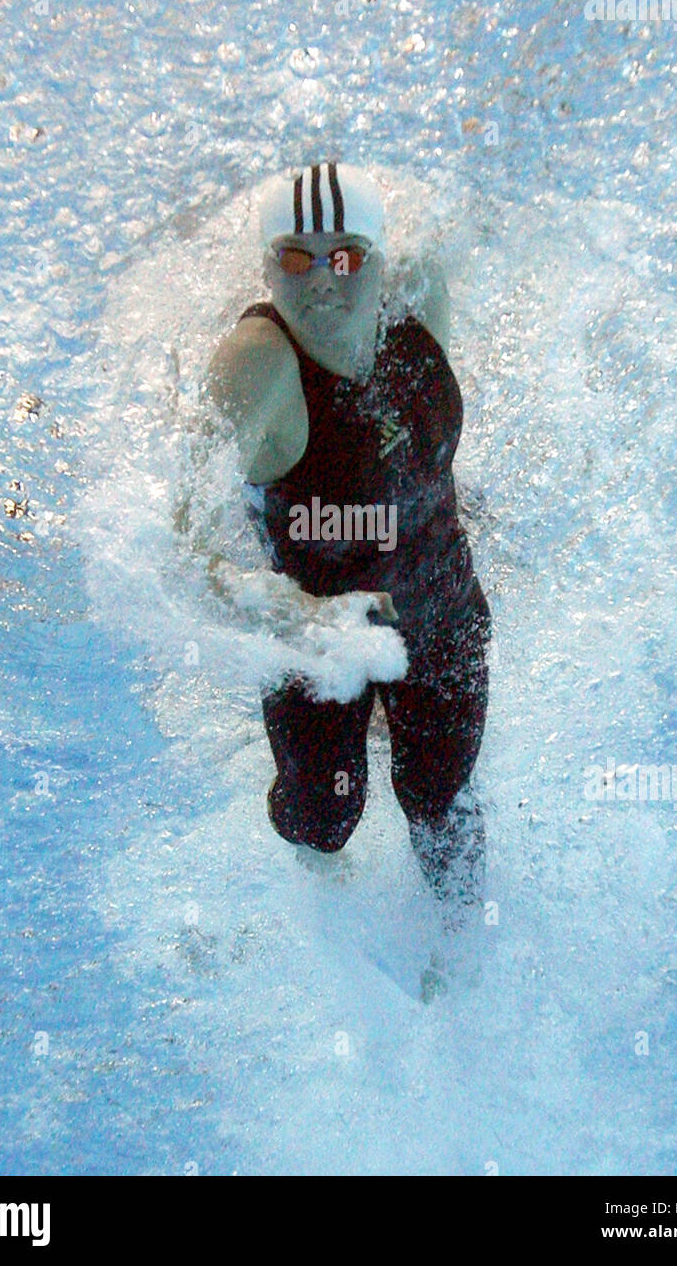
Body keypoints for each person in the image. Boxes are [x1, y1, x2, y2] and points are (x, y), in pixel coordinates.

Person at [206, 161, 492, 974]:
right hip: (320, 638)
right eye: (295, 259)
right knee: (322, 818)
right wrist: (281, 615)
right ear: (267, 269)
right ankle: (333, 945)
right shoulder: (258, 370)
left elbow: (485, 193)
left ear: (380, 261)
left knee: (439, 801)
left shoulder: (419, 306)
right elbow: (177, 547)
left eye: (345, 257)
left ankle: (461, 956)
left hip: (439, 605)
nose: (322, 281)